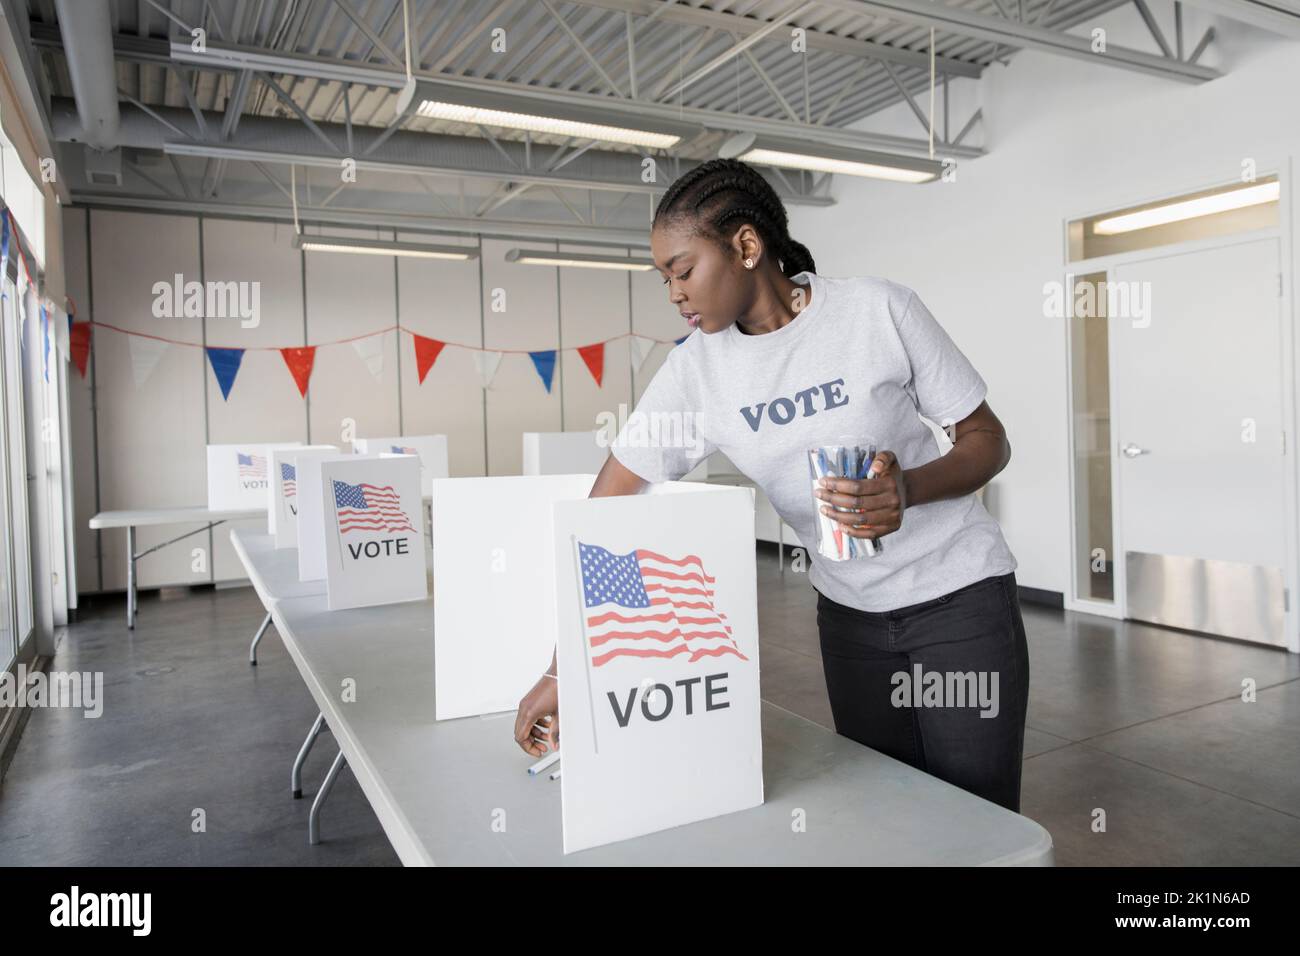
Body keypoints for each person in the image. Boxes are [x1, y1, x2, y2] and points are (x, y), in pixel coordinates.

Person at [513, 158, 1029, 813]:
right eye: (663, 277)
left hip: (959, 601)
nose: (674, 293)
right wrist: (566, 666)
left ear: (747, 247)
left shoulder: (877, 310)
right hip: (850, 622)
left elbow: (989, 440)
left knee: (978, 821)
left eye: (683, 270)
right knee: (889, 817)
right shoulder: (697, 372)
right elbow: (604, 512)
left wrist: (908, 490)